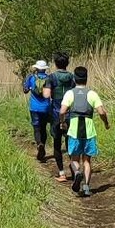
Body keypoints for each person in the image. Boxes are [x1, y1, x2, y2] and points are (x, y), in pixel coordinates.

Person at [60, 64, 110, 196]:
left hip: (74, 129)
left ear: (74, 79)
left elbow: (62, 111)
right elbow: (101, 112)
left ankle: (76, 173)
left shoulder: (70, 93)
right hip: (89, 130)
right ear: (86, 79)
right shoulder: (92, 94)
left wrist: (62, 122)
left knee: (74, 159)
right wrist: (106, 123)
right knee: (87, 160)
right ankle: (87, 187)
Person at [49, 50, 76, 180]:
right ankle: (75, 169)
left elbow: (47, 95)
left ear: (55, 63)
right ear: (67, 63)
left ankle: (61, 173)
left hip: (56, 113)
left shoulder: (52, 77)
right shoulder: (72, 77)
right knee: (70, 143)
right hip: (71, 114)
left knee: (57, 144)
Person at [22, 58, 55, 162]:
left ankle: (39, 144)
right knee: (43, 127)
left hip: (34, 107)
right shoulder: (49, 78)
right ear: (45, 69)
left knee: (36, 128)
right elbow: (52, 93)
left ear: (36, 68)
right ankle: (43, 145)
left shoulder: (31, 78)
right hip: (46, 107)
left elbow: (25, 90)